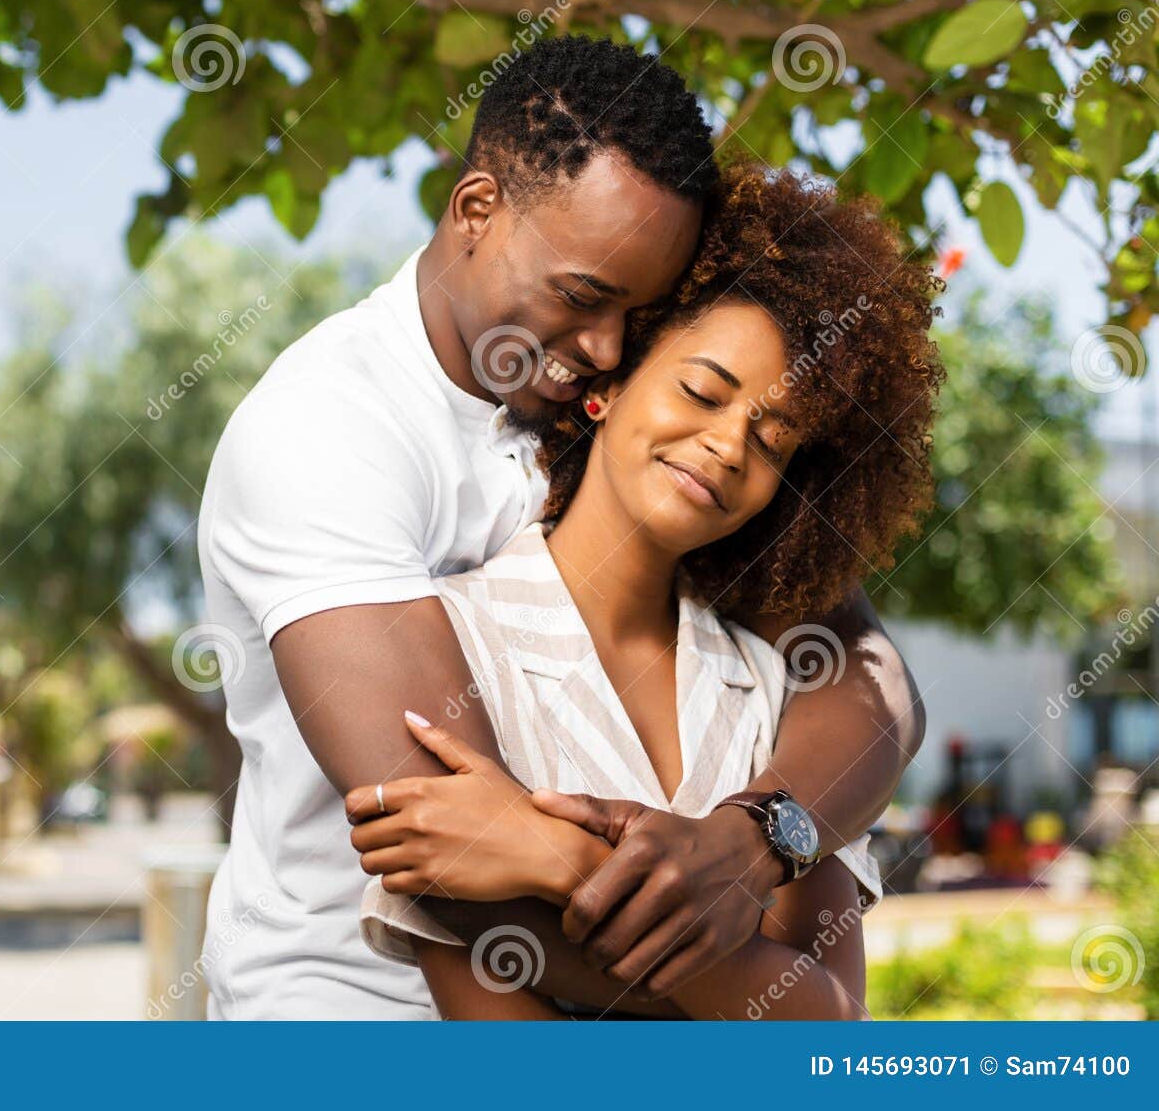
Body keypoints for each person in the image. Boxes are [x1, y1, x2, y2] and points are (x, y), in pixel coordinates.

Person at [197, 35, 925, 1020]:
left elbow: (870, 684)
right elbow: (453, 856)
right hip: (352, 1008)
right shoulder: (326, 429)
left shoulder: (608, 397)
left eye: (642, 311)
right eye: (583, 296)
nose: (604, 346)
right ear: (476, 209)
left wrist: (753, 839)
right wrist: (763, 1002)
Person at [346, 162, 943, 1019]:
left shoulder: (781, 685)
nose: (728, 445)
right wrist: (732, 959)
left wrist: (556, 861)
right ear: (608, 384)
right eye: (703, 391)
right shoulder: (452, 644)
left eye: (772, 441)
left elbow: (833, 1029)